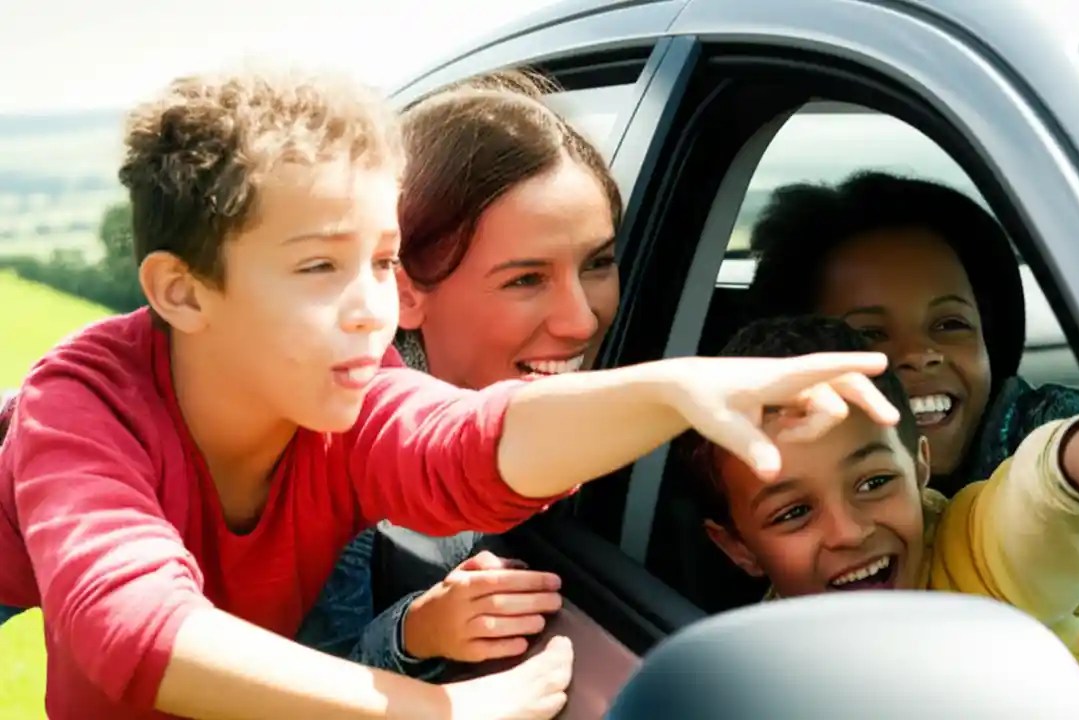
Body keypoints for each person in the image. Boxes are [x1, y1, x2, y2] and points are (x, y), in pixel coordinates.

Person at [0, 66, 898, 720]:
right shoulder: (81, 407)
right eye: (320, 267)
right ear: (182, 292)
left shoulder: (353, 399)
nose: (371, 311)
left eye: (383, 262)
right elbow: (129, 626)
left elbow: (470, 446)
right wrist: (440, 715)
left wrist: (675, 389)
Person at [300, 69, 625, 679]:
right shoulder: (336, 466)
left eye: (600, 263)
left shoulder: (670, 423)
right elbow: (305, 689)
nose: (582, 321)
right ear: (406, 293)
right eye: (526, 279)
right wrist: (416, 630)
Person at [684, 315, 1079, 691]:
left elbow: (1030, 508)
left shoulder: (969, 560)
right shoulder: (758, 669)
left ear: (920, 468)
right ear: (738, 547)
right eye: (794, 513)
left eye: (875, 482)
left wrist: (1078, 455)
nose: (850, 531)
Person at [746, 170, 1079, 498]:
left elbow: (1073, 446)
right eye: (869, 334)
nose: (919, 354)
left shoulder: (1039, 433)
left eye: (950, 324)